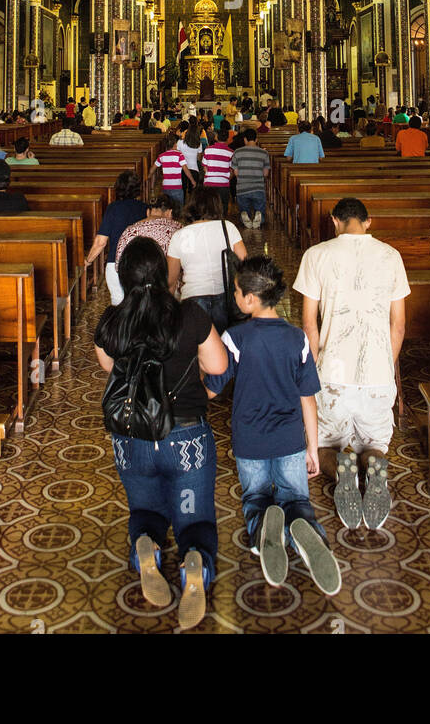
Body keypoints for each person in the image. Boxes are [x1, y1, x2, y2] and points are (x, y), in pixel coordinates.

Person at [94, 237, 229, 627]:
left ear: (122, 277)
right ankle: (196, 563)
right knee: (196, 521)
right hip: (186, 440)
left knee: (146, 510)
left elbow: (111, 369)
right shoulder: (190, 316)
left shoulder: (111, 321)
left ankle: (145, 547)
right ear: (166, 272)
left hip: (131, 440)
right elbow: (218, 366)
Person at [204, 255, 340, 594]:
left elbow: (212, 388)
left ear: (251, 299)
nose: (234, 297)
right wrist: (312, 446)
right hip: (290, 439)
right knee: (297, 499)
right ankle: (305, 530)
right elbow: (307, 397)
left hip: (250, 440)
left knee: (255, 496)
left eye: (236, 292)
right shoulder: (297, 340)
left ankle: (264, 525)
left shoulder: (235, 338)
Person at [294, 196, 409, 530]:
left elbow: (309, 324)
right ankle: (373, 466)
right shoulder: (391, 256)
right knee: (375, 443)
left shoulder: (316, 255)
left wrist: (310, 372)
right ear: (367, 221)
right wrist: (386, 365)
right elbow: (398, 325)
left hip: (332, 373)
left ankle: (340, 469)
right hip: (377, 372)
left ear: (334, 221)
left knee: (324, 443)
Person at [167, 187, 247, 333]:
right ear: (216, 205)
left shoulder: (180, 235)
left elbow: (171, 279)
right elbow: (244, 263)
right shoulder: (228, 227)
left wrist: (170, 311)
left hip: (192, 298)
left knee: (197, 347)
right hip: (225, 296)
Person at [84, 172, 148, 304]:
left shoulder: (113, 208)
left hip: (115, 262)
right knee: (139, 305)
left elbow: (101, 242)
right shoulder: (145, 209)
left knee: (118, 303)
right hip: (140, 263)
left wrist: (88, 260)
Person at [110, 195, 184, 305]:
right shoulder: (180, 229)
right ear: (169, 212)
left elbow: (119, 266)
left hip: (137, 292)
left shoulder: (130, 231)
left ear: (148, 212)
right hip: (170, 294)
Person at [230, 128, 271, 230]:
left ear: (245, 139)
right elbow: (266, 174)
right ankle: (259, 216)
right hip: (258, 188)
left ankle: (245, 215)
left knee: (243, 209)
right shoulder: (264, 153)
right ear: (256, 139)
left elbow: (236, 173)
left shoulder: (237, 152)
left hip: (242, 188)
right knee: (261, 210)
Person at [151, 134, 193, 209]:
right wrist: (192, 181)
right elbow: (186, 170)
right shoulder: (179, 155)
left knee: (167, 209)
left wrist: (148, 176)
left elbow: (152, 170)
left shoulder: (162, 156)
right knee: (179, 209)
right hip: (177, 187)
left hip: (166, 187)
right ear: (175, 144)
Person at [200, 127, 233, 210]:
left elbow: (204, 167)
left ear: (216, 137)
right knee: (223, 207)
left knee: (209, 208)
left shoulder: (208, 150)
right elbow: (232, 170)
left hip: (209, 183)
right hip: (224, 184)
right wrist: (226, 178)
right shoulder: (231, 152)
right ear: (228, 138)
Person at [177, 120, 204, 191]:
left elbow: (177, 156)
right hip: (194, 169)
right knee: (193, 192)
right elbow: (199, 158)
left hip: (182, 169)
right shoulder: (199, 144)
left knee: (183, 190)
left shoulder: (180, 142)